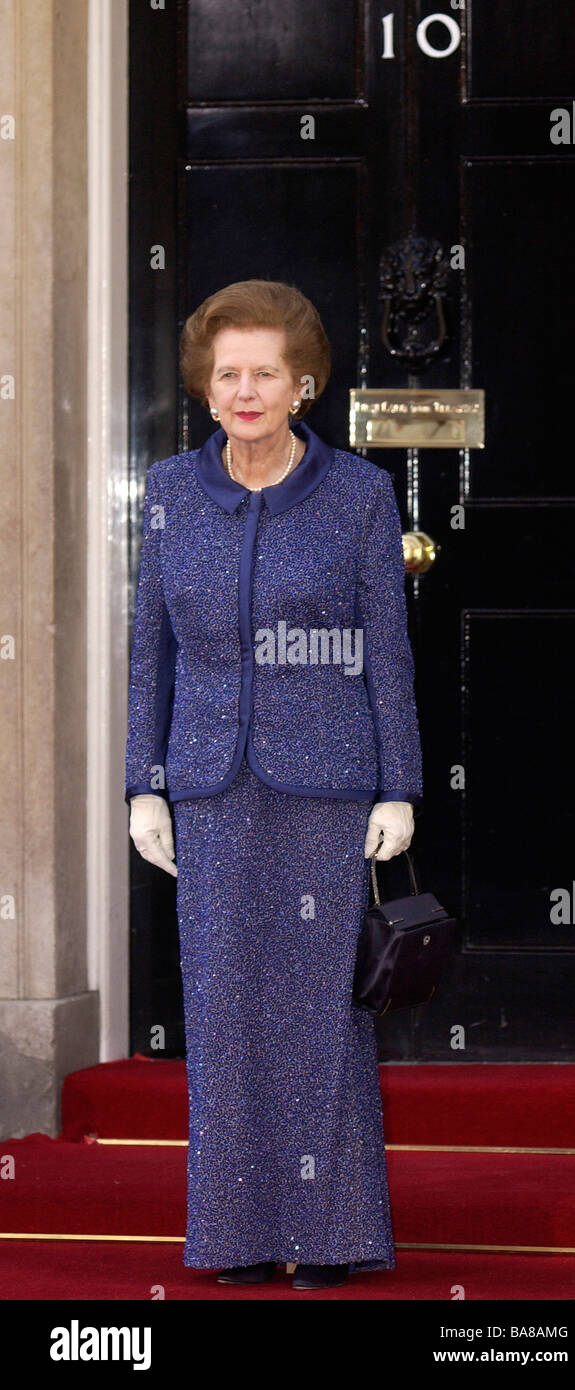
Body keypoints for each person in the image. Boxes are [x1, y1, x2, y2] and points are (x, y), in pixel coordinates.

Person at [125, 279, 422, 1291]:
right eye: (228, 374)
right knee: (220, 1014)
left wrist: (398, 787)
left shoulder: (359, 497)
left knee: (317, 1013)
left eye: (266, 373)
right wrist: (144, 785)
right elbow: (148, 654)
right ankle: (236, 1234)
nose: (245, 390)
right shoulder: (169, 495)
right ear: (206, 389)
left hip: (327, 788)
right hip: (209, 789)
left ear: (303, 385)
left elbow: (390, 653)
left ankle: (330, 1233)